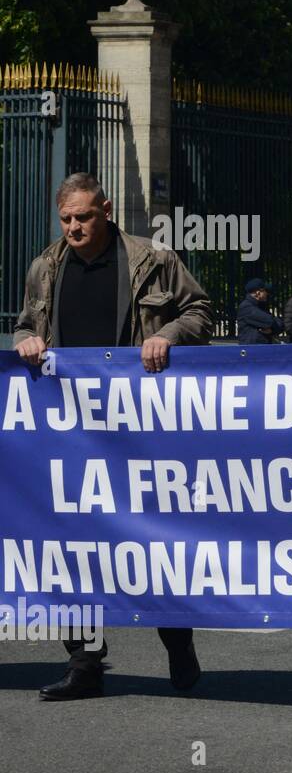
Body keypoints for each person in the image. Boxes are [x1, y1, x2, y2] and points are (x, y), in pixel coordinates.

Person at [13, 172, 213, 701]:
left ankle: (176, 637)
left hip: (140, 429)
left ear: (106, 210)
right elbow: (24, 324)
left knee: (151, 536)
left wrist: (168, 335)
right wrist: (27, 339)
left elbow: (200, 311)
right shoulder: (45, 266)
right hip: (72, 433)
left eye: (84, 216)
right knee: (72, 545)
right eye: (66, 219)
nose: (75, 227)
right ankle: (85, 663)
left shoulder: (152, 259)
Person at [237, 278, 283, 344]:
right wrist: (274, 325)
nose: (267, 293)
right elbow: (269, 321)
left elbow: (280, 324)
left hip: (261, 348)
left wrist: (272, 330)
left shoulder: (259, 306)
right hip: (251, 350)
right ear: (258, 293)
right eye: (265, 291)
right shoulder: (246, 307)